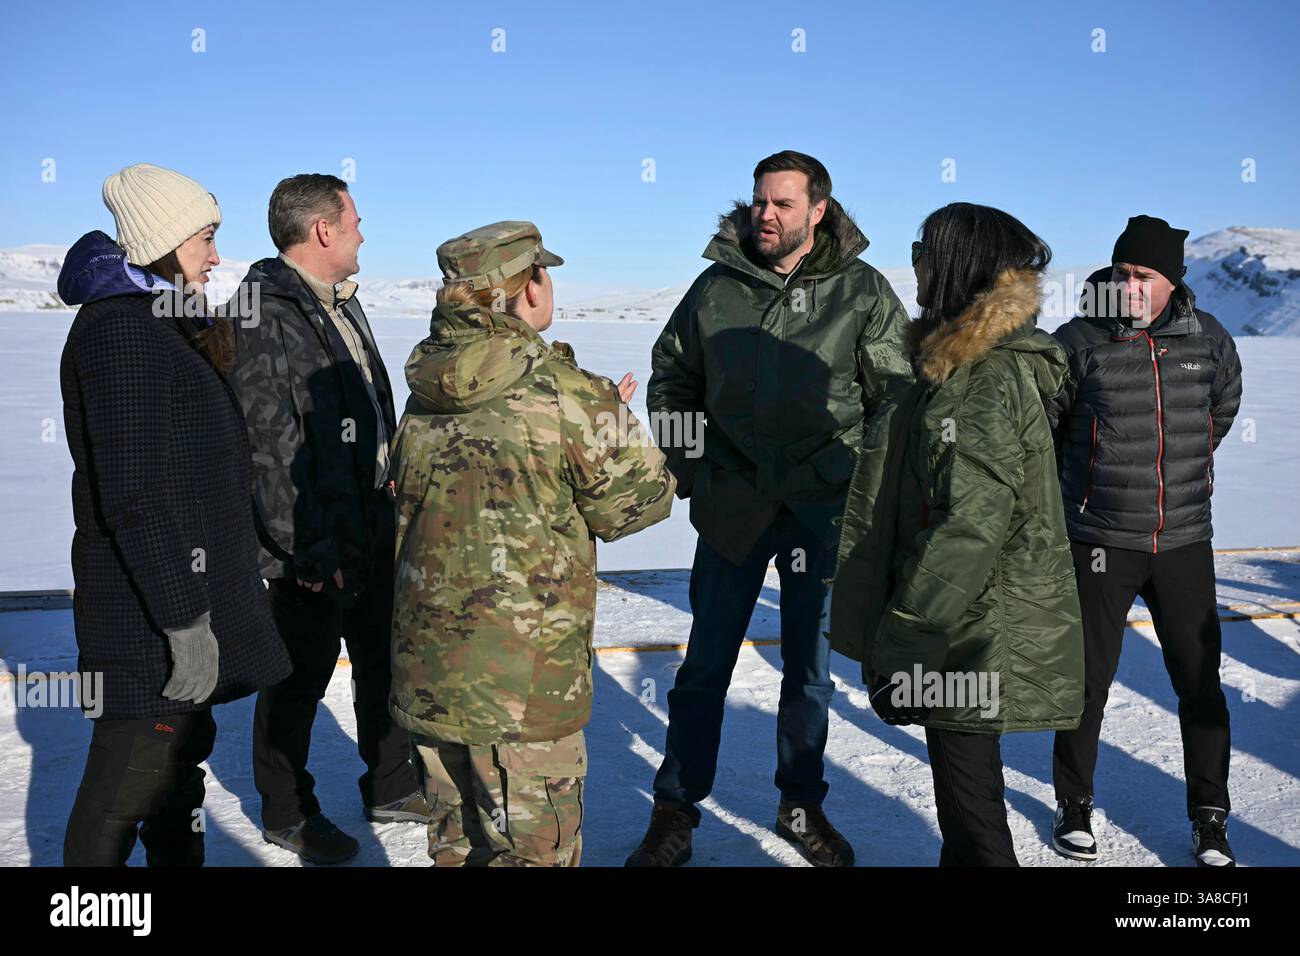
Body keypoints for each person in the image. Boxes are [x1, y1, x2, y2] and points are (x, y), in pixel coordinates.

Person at [627, 150, 913, 867]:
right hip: (734, 507)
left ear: (818, 210)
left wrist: (869, 498)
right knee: (704, 666)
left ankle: (800, 804)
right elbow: (671, 380)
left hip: (823, 510)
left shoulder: (861, 292)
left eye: (783, 204)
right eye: (760, 201)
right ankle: (674, 810)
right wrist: (696, 469)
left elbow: (895, 403)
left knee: (810, 671)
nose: (766, 214)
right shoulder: (715, 289)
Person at [389, 221, 675, 866]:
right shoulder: (567, 394)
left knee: (456, 850)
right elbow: (638, 506)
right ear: (527, 287)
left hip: (429, 674)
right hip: (523, 688)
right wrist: (612, 425)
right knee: (535, 855)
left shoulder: (424, 391)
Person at [827, 202, 1084, 866]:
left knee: (973, 825)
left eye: (923, 250)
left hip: (968, 632)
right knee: (966, 814)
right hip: (967, 624)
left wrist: (906, 642)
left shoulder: (981, 378)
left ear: (955, 264)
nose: (913, 263)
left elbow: (968, 527)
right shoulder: (952, 363)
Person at [58, 163, 291, 866]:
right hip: (148, 622)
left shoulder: (162, 321)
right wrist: (184, 623)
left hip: (180, 606)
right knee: (123, 793)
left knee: (174, 790)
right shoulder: (121, 332)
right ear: (162, 239)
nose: (217, 257)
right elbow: (134, 496)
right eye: (206, 238)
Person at [232, 174, 423, 864]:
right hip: (312, 541)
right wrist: (308, 548)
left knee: (384, 660)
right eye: (355, 221)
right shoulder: (262, 309)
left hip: (371, 518)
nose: (362, 232)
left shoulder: (341, 303)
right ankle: (287, 811)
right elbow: (268, 445)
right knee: (297, 678)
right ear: (323, 230)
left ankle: (393, 784)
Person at [1046, 215, 1243, 867]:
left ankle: (1210, 816)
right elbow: (1043, 429)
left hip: (1183, 538)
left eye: (1144, 275)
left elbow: (1222, 408)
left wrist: (1185, 468)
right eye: (1122, 271)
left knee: (1199, 681)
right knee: (1087, 680)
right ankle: (1074, 805)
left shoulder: (1207, 339)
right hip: (1099, 539)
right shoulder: (1078, 340)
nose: (1130, 284)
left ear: (1172, 282)